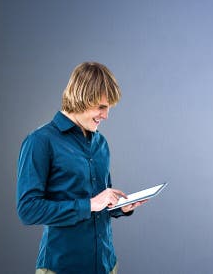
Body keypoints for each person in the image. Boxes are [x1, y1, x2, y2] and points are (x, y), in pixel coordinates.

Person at [17, 62, 145, 274]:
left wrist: (120, 207)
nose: (106, 116)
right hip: (63, 267)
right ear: (82, 98)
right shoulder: (40, 141)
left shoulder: (101, 143)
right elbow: (28, 210)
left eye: (109, 108)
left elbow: (100, 201)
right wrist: (89, 204)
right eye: (101, 107)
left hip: (106, 265)